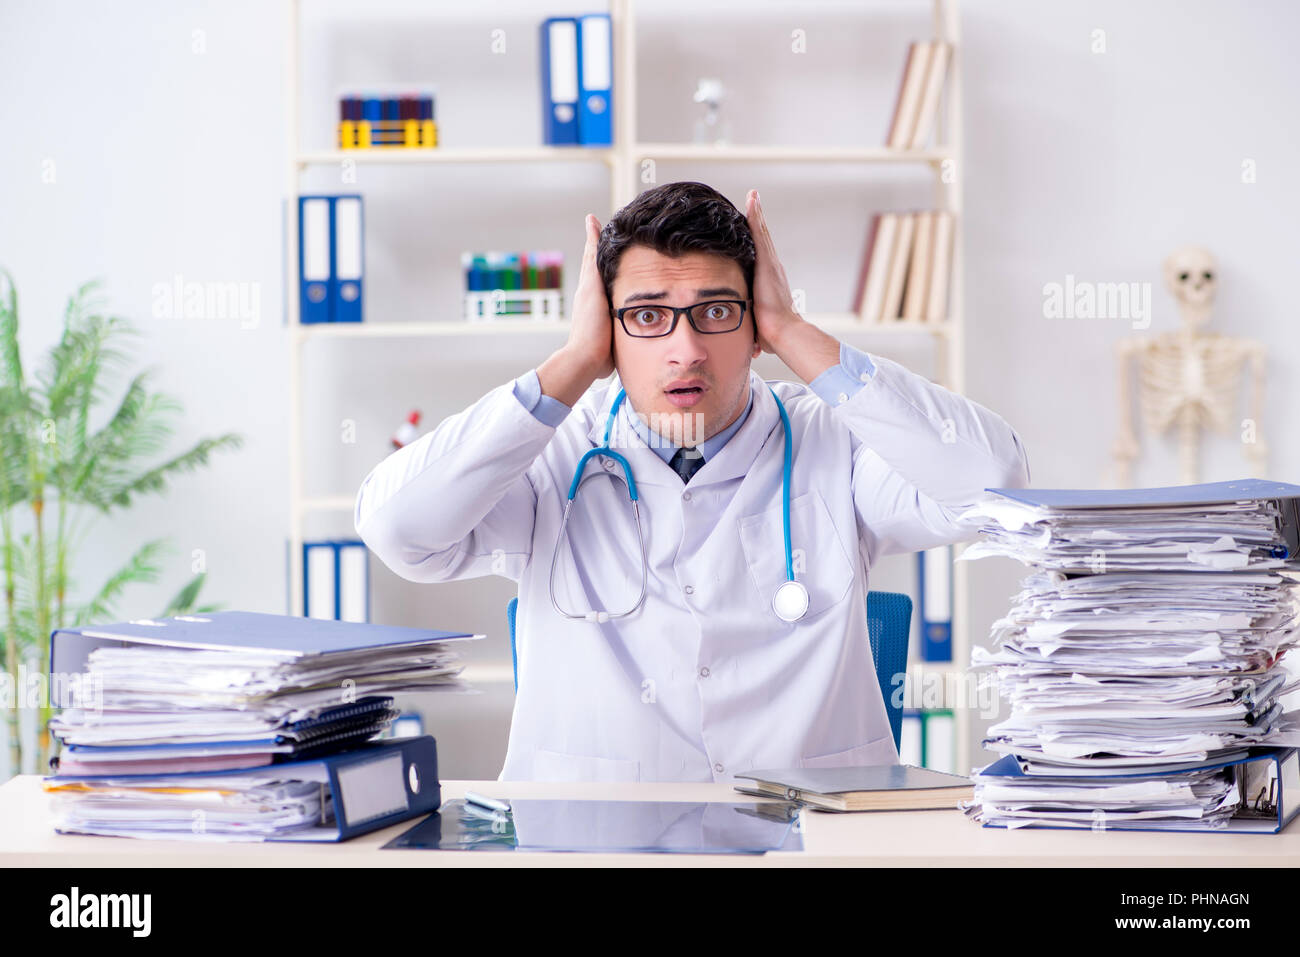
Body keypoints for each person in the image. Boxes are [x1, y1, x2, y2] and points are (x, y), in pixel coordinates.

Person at [355, 181, 1030, 783]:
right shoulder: (553, 450)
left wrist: (795, 330)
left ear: (755, 327)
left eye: (716, 311)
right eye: (646, 315)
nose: (687, 349)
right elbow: (399, 530)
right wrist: (572, 362)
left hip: (806, 842)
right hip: (592, 840)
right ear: (608, 330)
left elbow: (992, 483)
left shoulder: (834, 441)